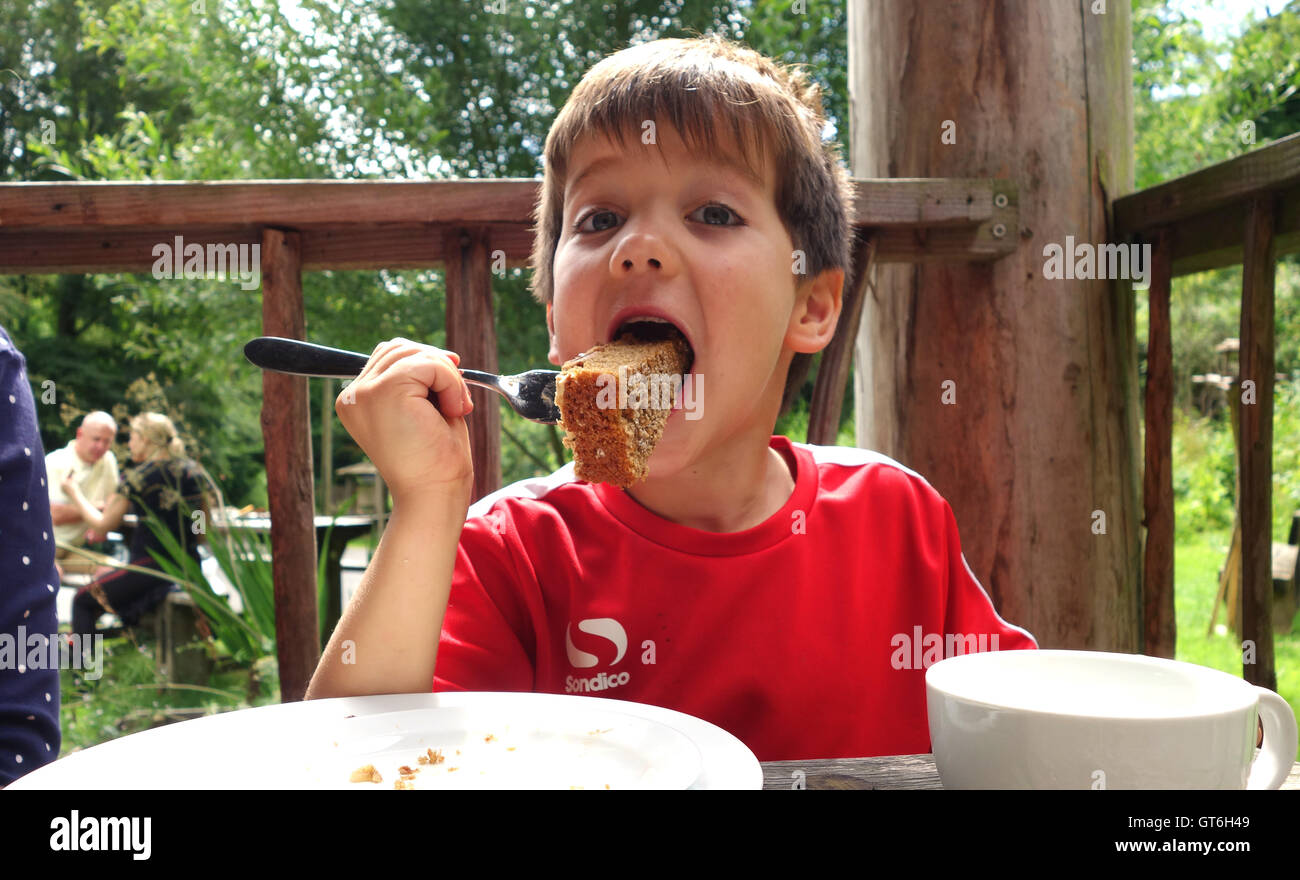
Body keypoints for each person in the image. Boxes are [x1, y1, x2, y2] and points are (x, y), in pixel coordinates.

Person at [305, 35, 1037, 761]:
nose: (640, 246)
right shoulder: (511, 556)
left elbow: (1019, 727)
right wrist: (428, 503)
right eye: (599, 220)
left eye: (713, 214)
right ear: (558, 321)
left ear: (810, 307)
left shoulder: (898, 521)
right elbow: (346, 761)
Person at [63, 413, 206, 640]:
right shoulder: (194, 472)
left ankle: (83, 666)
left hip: (150, 569)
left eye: (132, 437)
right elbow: (201, 532)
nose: (129, 444)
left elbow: (103, 526)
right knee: (105, 592)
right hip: (189, 569)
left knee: (83, 599)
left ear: (146, 439)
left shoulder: (138, 478)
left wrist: (74, 493)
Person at [0, 324, 62, 786]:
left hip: (96, 557)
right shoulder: (69, 462)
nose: (106, 446)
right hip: (75, 555)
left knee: (88, 598)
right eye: (97, 439)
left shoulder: (119, 468)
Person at [46, 411, 120, 577]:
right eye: (96, 439)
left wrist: (101, 522)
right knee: (52, 575)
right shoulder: (55, 461)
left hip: (76, 550)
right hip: (46, 549)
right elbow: (55, 515)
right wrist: (98, 512)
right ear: (80, 434)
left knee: (116, 571)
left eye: (107, 441)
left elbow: (115, 500)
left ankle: (86, 602)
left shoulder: (108, 460)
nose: (101, 446)